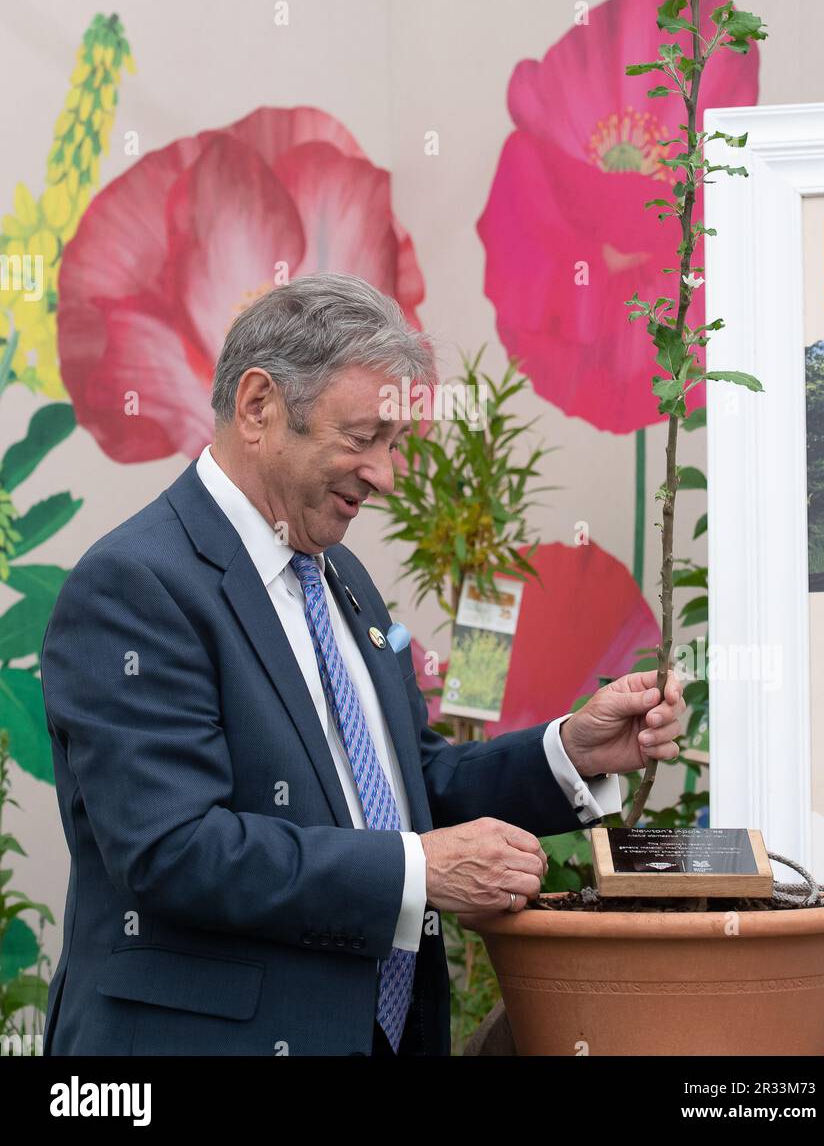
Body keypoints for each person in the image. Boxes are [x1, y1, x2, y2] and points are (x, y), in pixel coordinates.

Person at [40, 271, 684, 1057]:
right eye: (363, 438)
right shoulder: (135, 586)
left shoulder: (339, 577)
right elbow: (173, 851)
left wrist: (568, 752)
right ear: (257, 407)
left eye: (394, 444)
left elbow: (407, 785)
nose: (383, 476)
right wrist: (417, 871)